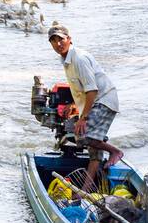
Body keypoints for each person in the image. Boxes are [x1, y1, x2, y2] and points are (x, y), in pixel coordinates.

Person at [47, 24, 123, 192]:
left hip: (103, 100)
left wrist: (83, 118)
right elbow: (82, 88)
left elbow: (92, 89)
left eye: (61, 39)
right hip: (96, 101)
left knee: (83, 135)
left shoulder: (79, 59)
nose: (58, 43)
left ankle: (116, 152)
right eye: (53, 41)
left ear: (69, 39)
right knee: (94, 151)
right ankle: (85, 190)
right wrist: (74, 105)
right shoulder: (66, 61)